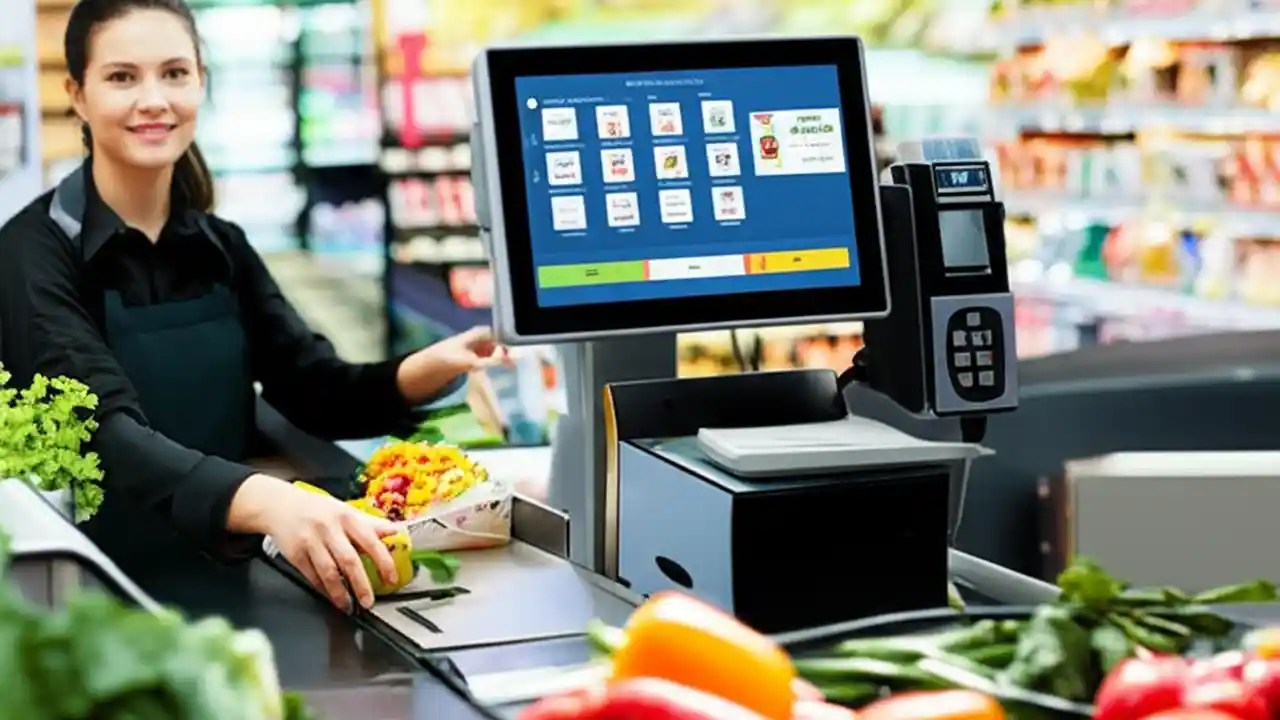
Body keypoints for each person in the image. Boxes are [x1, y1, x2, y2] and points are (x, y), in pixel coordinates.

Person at [0, 0, 505, 613]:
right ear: (77, 94)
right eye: (122, 77)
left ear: (201, 83)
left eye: (175, 73)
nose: (154, 98)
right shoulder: (31, 253)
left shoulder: (222, 247)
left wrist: (422, 372)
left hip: (232, 576)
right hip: (89, 591)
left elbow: (313, 385)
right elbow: (100, 433)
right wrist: (269, 500)